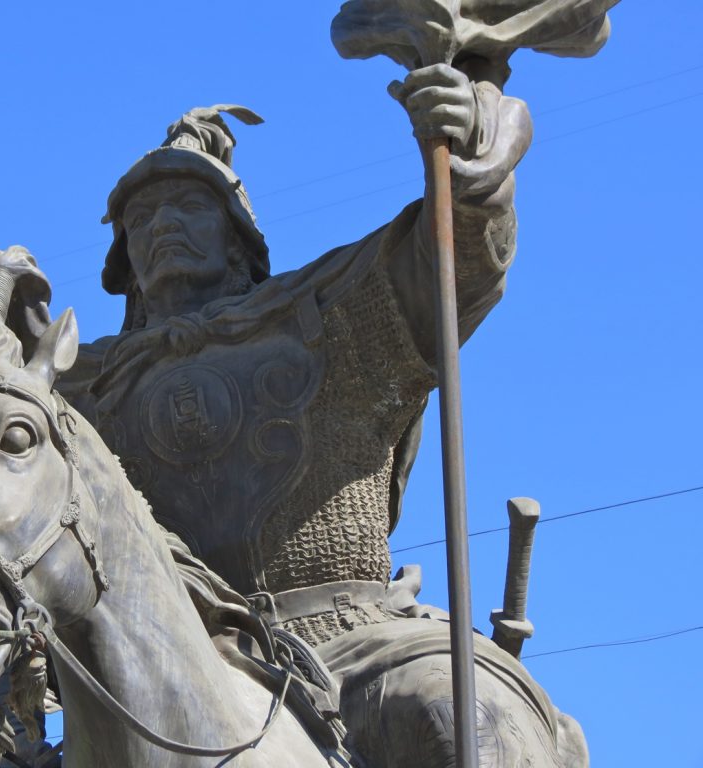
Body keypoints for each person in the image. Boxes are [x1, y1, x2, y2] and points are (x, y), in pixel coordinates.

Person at [45, 64, 584, 766]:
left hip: (359, 643)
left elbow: (447, 268)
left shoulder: (324, 315)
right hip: (176, 662)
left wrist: (469, 163)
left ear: (236, 236)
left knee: (457, 718)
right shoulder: (84, 387)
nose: (163, 226)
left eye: (188, 207)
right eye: (141, 219)